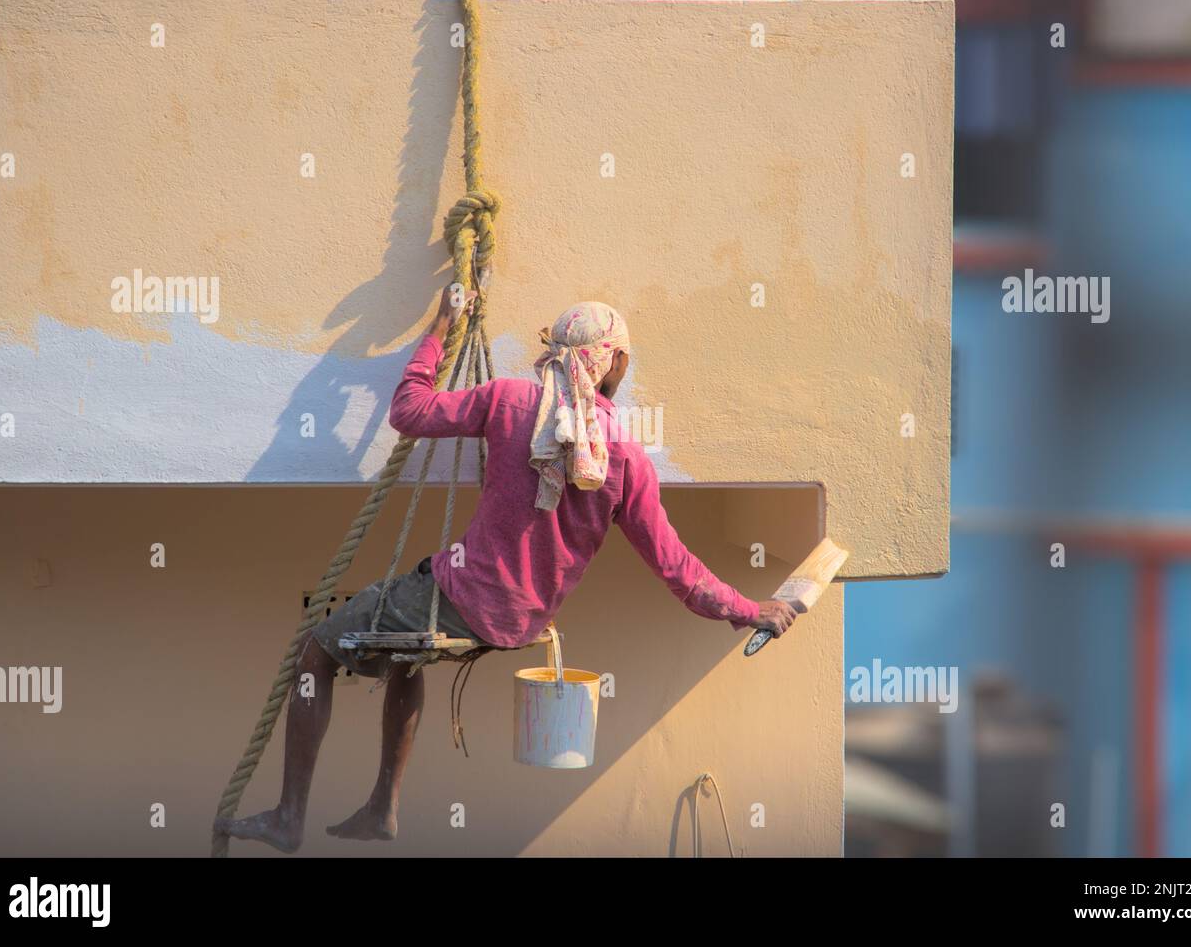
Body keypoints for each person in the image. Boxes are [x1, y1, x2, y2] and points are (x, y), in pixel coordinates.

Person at [215, 285, 797, 852]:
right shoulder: (625, 456)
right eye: (625, 359)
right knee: (407, 652)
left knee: (317, 648)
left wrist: (442, 327)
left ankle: (292, 816)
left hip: (464, 595)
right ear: (613, 360)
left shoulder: (510, 401)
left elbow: (407, 411)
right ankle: (381, 808)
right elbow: (679, 571)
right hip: (519, 621)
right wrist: (751, 610)